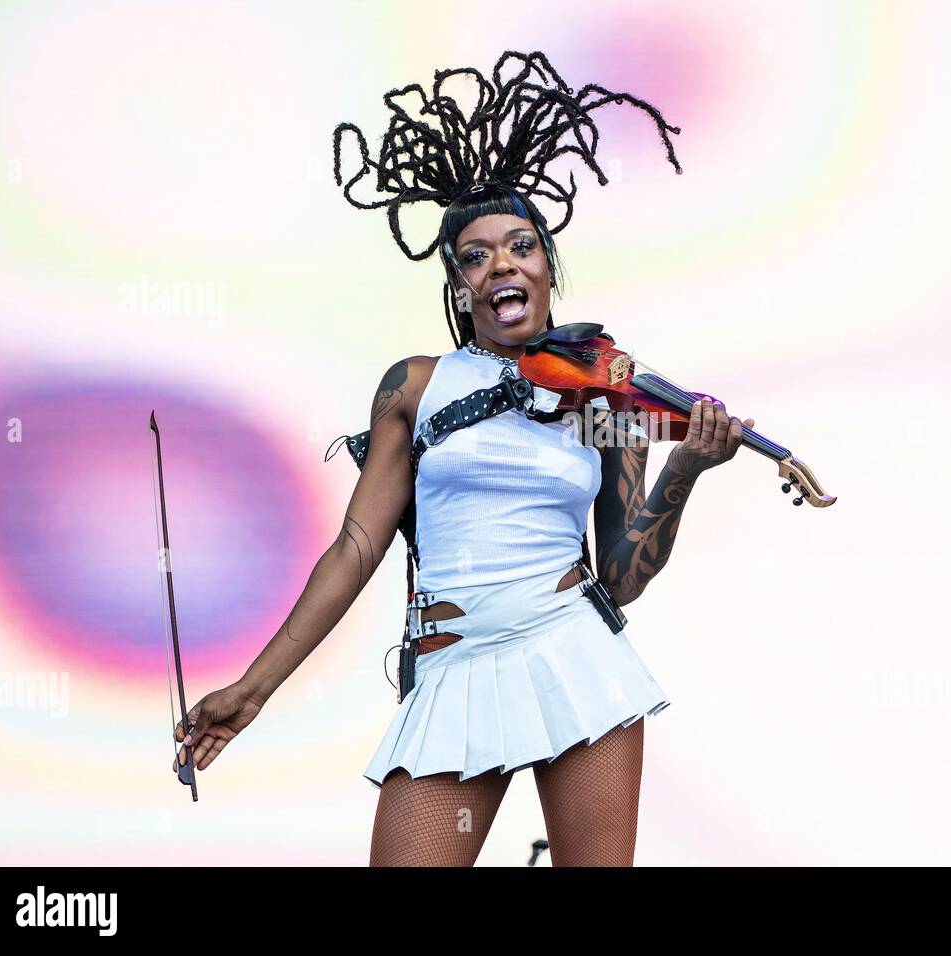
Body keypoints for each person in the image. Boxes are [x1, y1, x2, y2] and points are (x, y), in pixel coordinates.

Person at [173, 51, 751, 866]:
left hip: (572, 651)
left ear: (548, 268)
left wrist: (682, 470)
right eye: (478, 256)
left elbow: (620, 577)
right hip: (453, 668)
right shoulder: (417, 385)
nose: (503, 263)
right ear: (460, 287)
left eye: (522, 245)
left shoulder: (602, 394)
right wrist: (254, 690)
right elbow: (356, 547)